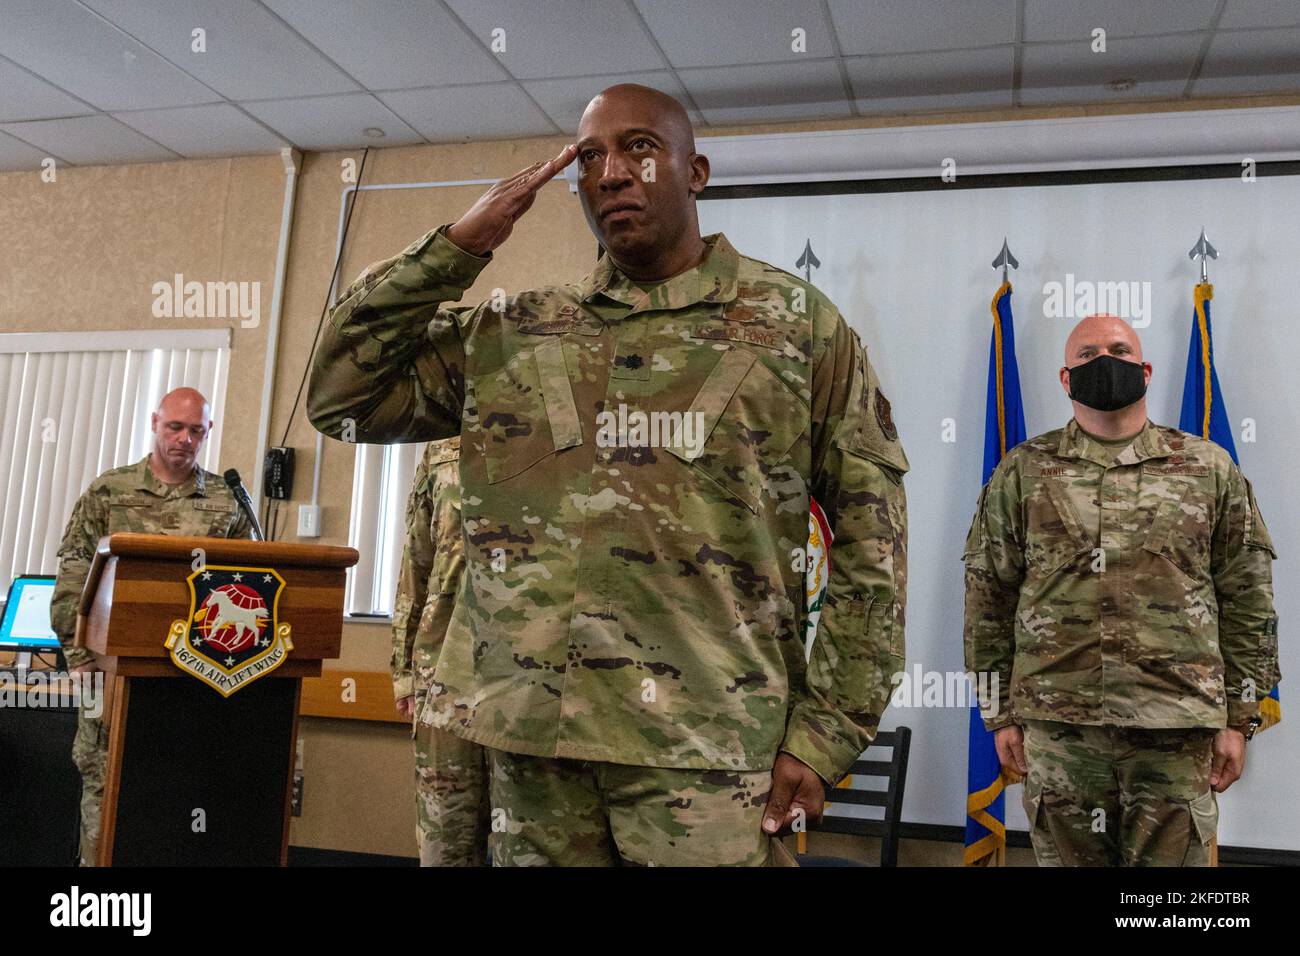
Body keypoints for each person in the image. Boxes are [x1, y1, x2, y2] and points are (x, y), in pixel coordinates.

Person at [309, 84, 909, 865]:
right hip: (534, 747)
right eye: (589, 158)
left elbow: (873, 544)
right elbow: (341, 398)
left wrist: (827, 731)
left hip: (706, 752)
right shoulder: (513, 331)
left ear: (696, 172)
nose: (612, 173)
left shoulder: (797, 328)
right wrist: (456, 248)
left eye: (640, 149)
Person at [964, 314, 1280, 866]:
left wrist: (1240, 719)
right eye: (1086, 355)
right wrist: (998, 715)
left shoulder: (1207, 468)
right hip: (1061, 731)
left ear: (1146, 369)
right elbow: (988, 598)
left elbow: (1248, 598)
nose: (1103, 361)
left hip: (1175, 729)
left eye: (1118, 349)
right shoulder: (1024, 472)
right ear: (1065, 379)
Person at [50, 387, 253, 865]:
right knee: (104, 791)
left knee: (180, 799)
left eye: (195, 430)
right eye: (174, 427)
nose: (184, 439)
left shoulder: (226, 502)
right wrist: (79, 659)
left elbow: (251, 582)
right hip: (110, 674)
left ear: (208, 432)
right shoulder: (110, 491)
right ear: (155, 423)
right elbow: (72, 579)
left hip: (196, 681)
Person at [391, 435, 489, 865]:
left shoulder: (560, 427)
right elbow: (416, 564)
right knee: (445, 840)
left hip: (534, 676)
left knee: (530, 844)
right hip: (443, 673)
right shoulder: (442, 447)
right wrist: (404, 671)